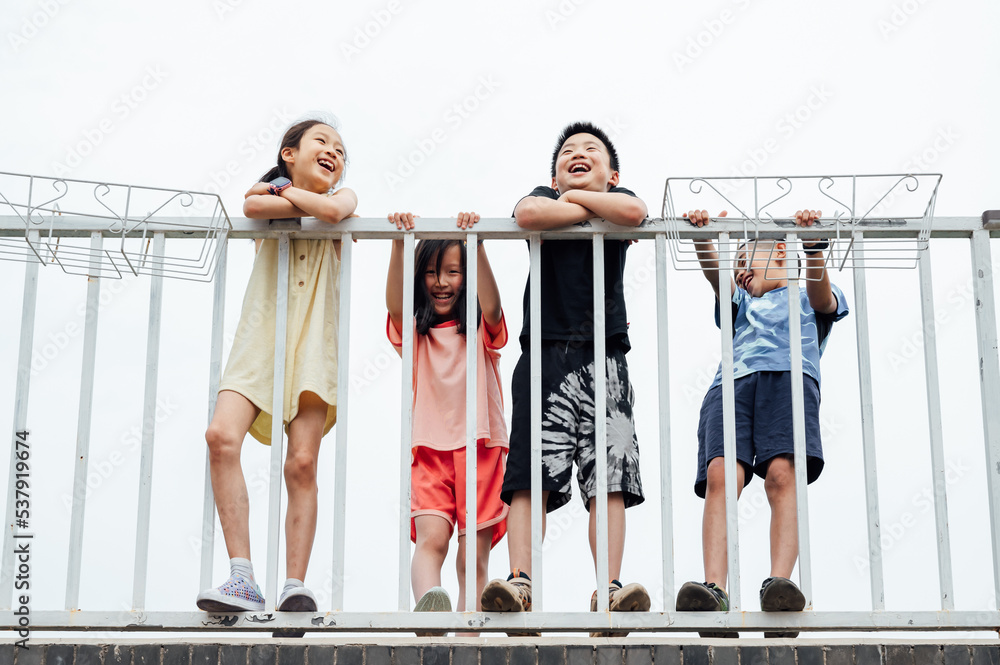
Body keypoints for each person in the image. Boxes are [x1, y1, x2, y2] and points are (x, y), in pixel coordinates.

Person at [480, 122, 650, 636]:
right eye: (567, 154)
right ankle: (520, 582)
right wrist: (581, 199)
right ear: (553, 177)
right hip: (546, 354)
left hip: (606, 359)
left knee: (610, 480)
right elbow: (528, 214)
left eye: (591, 152)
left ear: (613, 173)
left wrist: (579, 200)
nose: (578, 154)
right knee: (530, 473)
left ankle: (610, 589)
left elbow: (635, 212)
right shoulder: (544, 199)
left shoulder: (617, 200)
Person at [196, 119, 358, 630]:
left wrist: (286, 192)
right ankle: (241, 576)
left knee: (301, 463)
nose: (333, 152)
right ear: (289, 153)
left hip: (313, 343)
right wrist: (284, 193)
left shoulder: (341, 196)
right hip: (261, 338)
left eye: (340, 149)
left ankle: (294, 586)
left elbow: (335, 210)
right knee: (221, 436)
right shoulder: (268, 191)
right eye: (321, 142)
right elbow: (252, 205)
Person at [676, 209, 849, 639]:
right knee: (722, 474)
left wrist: (811, 249)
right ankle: (715, 588)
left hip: (788, 379)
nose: (739, 270)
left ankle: (779, 586)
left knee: (781, 474)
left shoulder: (806, 294)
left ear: (779, 253)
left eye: (745, 259)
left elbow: (823, 294)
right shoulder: (740, 301)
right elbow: (715, 276)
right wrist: (705, 238)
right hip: (730, 386)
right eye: (736, 264)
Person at [385, 212, 509, 634]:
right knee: (430, 540)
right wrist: (399, 244)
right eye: (433, 273)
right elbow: (395, 304)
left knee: (471, 556)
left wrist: (478, 245)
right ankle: (430, 612)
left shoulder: (478, 328)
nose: (441, 282)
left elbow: (492, 306)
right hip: (431, 449)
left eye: (453, 272)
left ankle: (469, 634)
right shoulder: (417, 333)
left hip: (481, 447)